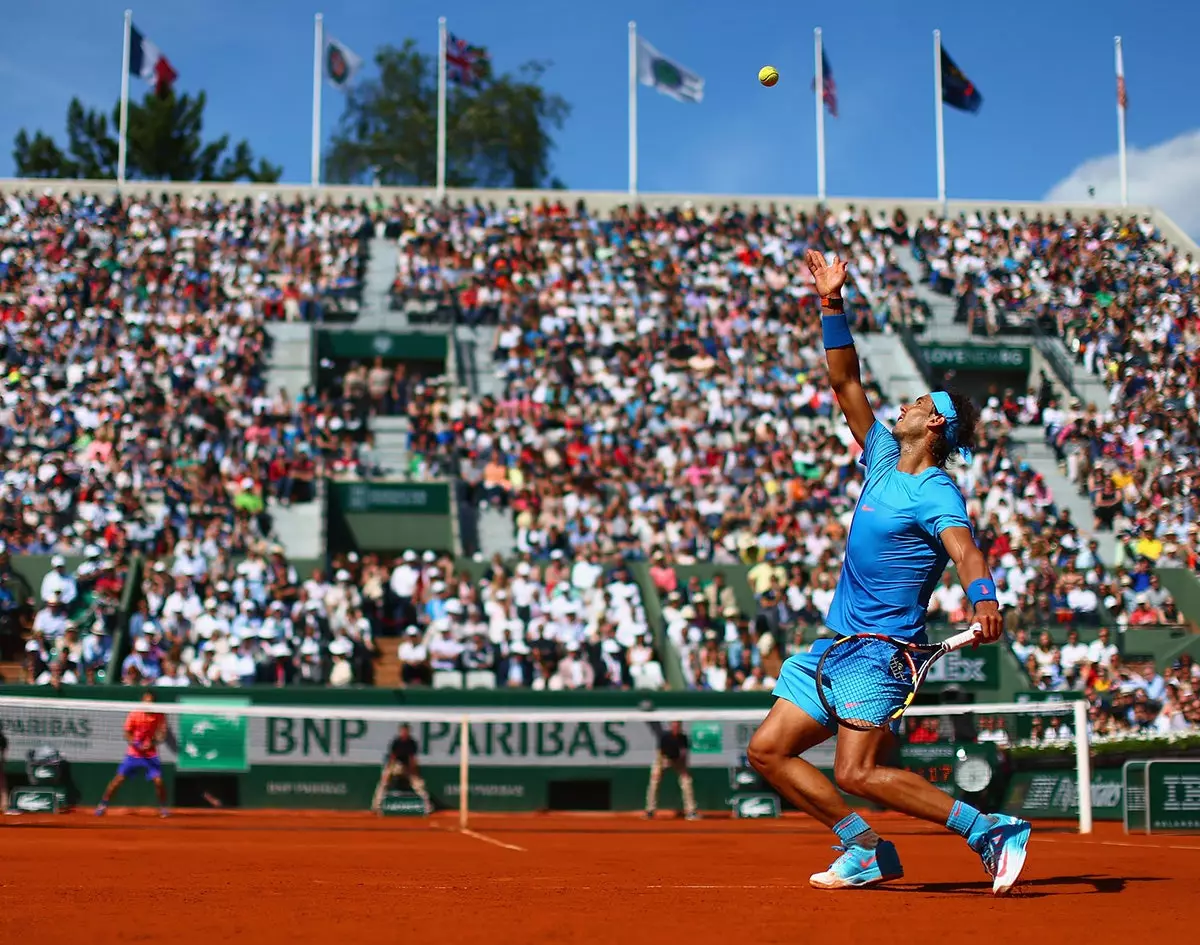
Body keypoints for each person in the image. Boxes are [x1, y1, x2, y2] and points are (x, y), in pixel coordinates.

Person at [746, 251, 1030, 895]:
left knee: (857, 773)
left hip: (881, 653)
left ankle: (989, 829)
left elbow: (965, 551)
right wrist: (830, 301)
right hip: (835, 644)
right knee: (767, 750)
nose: (901, 404)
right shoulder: (879, 455)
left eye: (916, 401)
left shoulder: (936, 491)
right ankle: (865, 847)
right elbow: (846, 381)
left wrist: (983, 597)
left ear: (934, 424)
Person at [95, 690, 169, 818]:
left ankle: (162, 807)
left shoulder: (159, 714)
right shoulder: (134, 714)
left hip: (150, 755)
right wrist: (136, 744)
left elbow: (162, 734)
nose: (148, 704)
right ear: (142, 701)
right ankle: (103, 804)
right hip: (134, 754)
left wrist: (153, 743)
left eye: (150, 701)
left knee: (159, 782)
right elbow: (127, 733)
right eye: (145, 701)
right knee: (117, 781)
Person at [643, 720, 699, 821]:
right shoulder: (665, 737)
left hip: (678, 761)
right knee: (654, 782)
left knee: (687, 782)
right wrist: (658, 769)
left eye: (678, 726)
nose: (676, 728)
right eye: (674, 726)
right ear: (671, 727)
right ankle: (650, 811)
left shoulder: (683, 738)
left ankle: (691, 812)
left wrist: (685, 770)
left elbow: (685, 754)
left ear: (680, 727)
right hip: (664, 759)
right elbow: (659, 753)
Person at [371, 724, 432, 814]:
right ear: (400, 732)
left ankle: (428, 806)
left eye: (406, 731)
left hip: (407, 767)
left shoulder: (412, 742)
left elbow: (412, 759)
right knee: (383, 783)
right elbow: (392, 757)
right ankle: (376, 806)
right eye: (402, 731)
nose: (404, 733)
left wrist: (414, 773)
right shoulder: (396, 742)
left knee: (419, 784)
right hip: (396, 765)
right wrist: (388, 771)